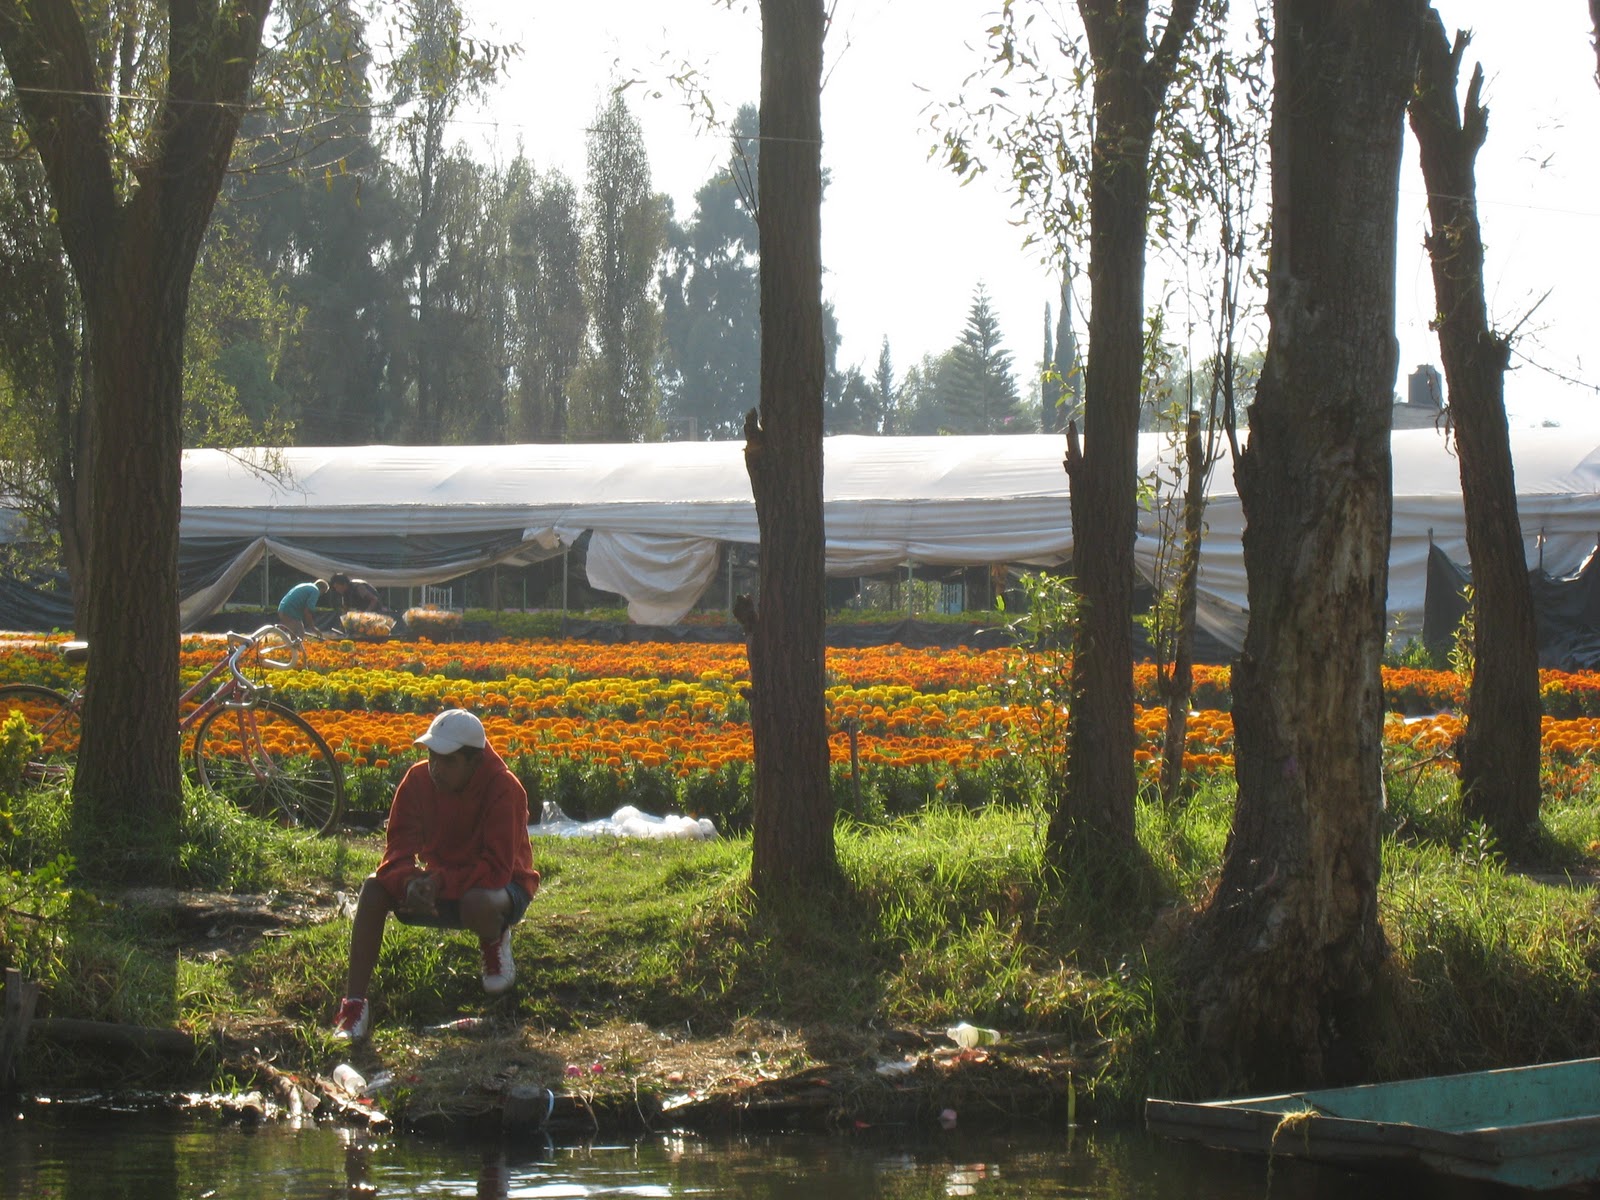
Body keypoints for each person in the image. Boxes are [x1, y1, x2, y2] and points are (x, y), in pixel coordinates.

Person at [332, 709, 538, 1041]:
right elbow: (396, 851)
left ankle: (495, 938)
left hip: (501, 889)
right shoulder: (417, 781)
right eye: (431, 756)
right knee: (373, 888)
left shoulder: (505, 789)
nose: (435, 768)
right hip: (436, 886)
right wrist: (411, 882)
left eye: (448, 761)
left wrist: (438, 881)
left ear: (475, 761)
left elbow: (497, 870)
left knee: (478, 902)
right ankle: (353, 1005)